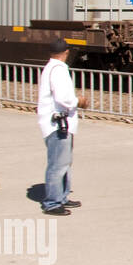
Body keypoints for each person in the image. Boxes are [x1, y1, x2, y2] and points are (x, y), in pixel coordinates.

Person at [37, 39, 89, 216]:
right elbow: (63, 98)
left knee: (64, 163)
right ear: (66, 52)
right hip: (58, 124)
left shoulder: (50, 68)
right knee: (58, 165)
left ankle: (62, 196)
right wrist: (79, 101)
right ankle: (52, 203)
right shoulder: (59, 70)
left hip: (58, 123)